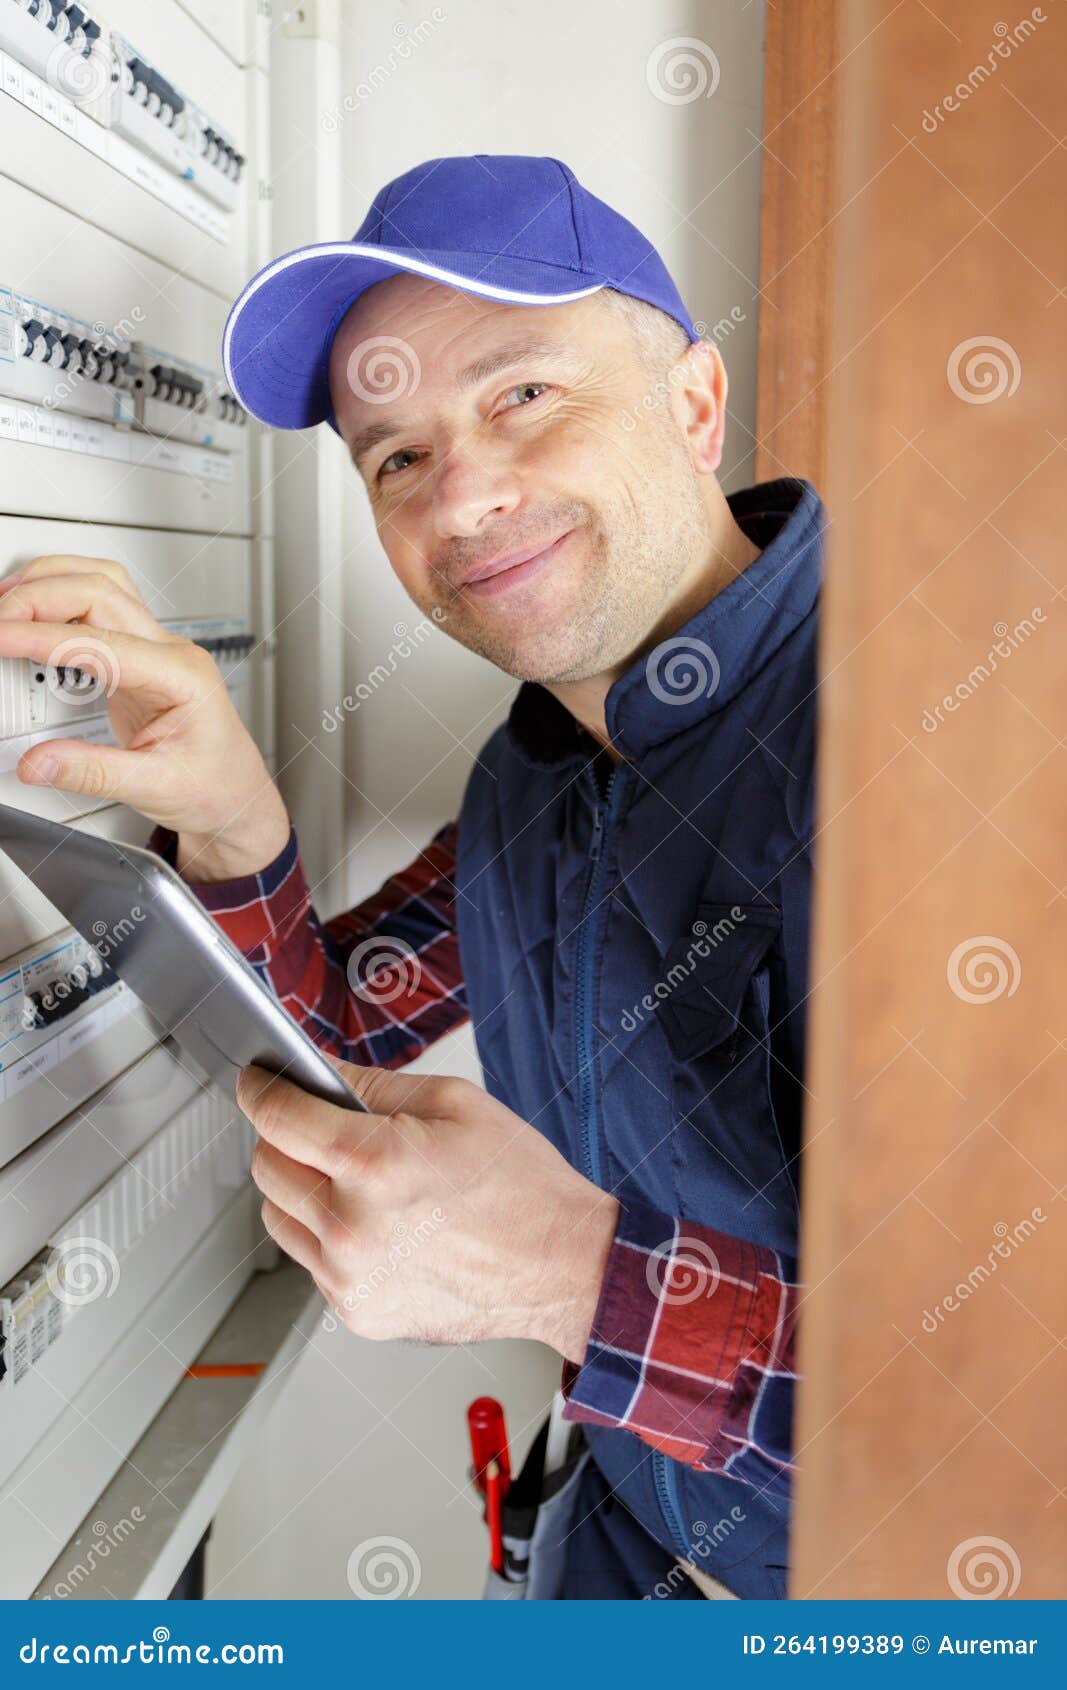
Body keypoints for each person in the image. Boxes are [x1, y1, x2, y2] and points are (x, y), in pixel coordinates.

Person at [0, 155, 817, 1600]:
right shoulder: (532, 782)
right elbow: (334, 1045)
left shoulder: (958, 745)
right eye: (399, 456)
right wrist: (240, 829)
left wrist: (576, 1280)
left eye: (522, 396)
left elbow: (1013, 1406)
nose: (468, 496)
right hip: (618, 1557)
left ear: (693, 402)